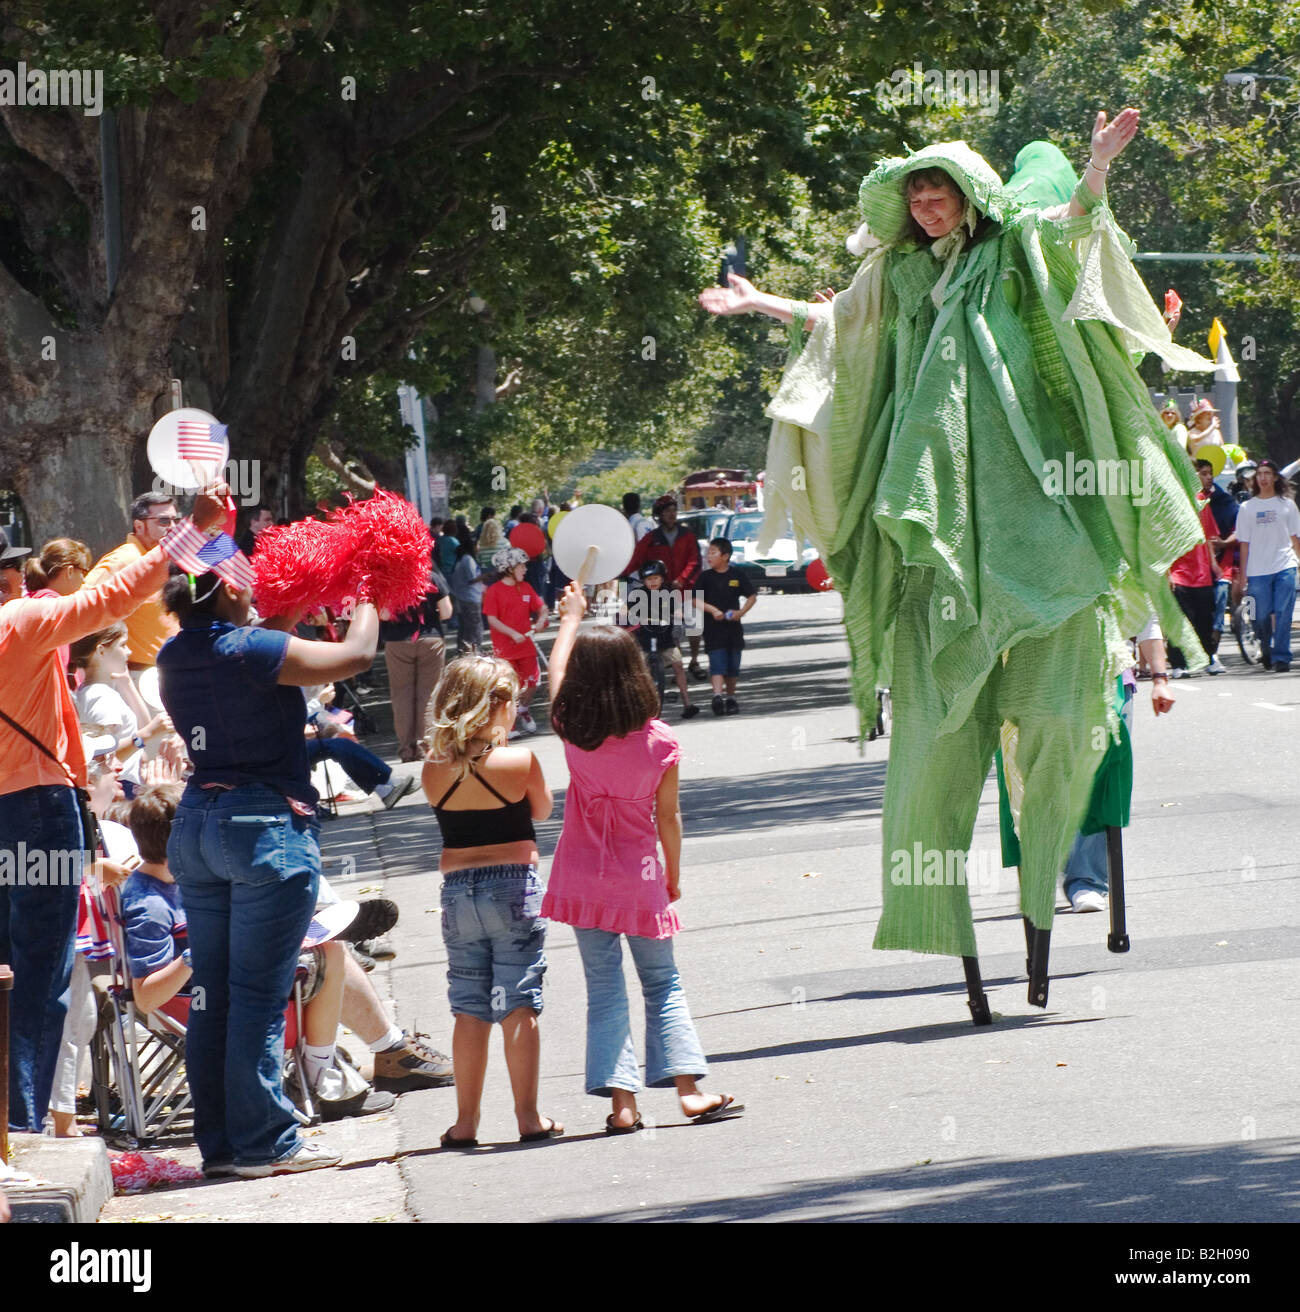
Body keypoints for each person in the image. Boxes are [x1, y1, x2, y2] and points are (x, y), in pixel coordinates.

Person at [699, 110, 1216, 973]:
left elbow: (1073, 225)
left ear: (968, 197)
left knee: (1059, 703)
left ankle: (1060, 859)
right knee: (937, 648)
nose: (930, 206)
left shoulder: (1011, 243)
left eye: (940, 192)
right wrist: (760, 303)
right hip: (934, 470)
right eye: (918, 197)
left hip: (1018, 466)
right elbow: (841, 321)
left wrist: (1097, 166)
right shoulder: (898, 271)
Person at [155, 544, 382, 1177]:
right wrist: (370, 591)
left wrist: (292, 610)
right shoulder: (248, 651)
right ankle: (266, 1146)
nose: (258, 595)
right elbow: (357, 655)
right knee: (257, 993)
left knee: (214, 994)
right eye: (249, 587)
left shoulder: (179, 652)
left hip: (198, 823)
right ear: (228, 593)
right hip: (262, 828)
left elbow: (254, 653)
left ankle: (224, 1146)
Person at [0, 494, 222, 1134]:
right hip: (38, 809)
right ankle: (22, 1125)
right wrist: (199, 528)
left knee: (9, 972)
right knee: (40, 973)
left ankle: (11, 1126)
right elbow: (123, 593)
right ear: (11, 580)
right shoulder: (18, 621)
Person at [542, 583, 742, 1132]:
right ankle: (689, 1091)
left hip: (582, 875)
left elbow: (556, 672)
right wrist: (673, 876)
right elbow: (668, 818)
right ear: (636, 673)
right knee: (663, 981)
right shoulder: (658, 740)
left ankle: (623, 1106)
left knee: (603, 988)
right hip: (641, 875)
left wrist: (571, 618)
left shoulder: (571, 729)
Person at [121, 785, 395, 1121]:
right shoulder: (148, 906)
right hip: (207, 1000)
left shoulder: (183, 880)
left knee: (319, 937)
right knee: (330, 954)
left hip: (230, 971)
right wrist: (199, 952)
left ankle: (328, 1067)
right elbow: (146, 997)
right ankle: (320, 1078)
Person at [421, 655, 558, 1147]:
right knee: (519, 1002)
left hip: (457, 891)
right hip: (512, 885)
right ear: (495, 706)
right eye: (512, 702)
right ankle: (527, 1117)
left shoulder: (433, 768)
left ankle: (465, 1123)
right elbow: (541, 810)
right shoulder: (519, 761)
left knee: (469, 1006)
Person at [47, 754, 138, 1137]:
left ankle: (59, 1113)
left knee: (79, 1017)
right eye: (104, 766)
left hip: (77, 929)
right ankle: (58, 1117)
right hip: (57, 926)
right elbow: (20, 863)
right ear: (84, 782)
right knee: (71, 1016)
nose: (116, 770)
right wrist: (96, 869)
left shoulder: (101, 826)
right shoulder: (56, 817)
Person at [1061, 617, 1174, 913]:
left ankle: (1086, 880)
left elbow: (1146, 623)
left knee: (1101, 778)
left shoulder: (1125, 571)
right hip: (1054, 677)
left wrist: (1160, 679)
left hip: (1112, 682)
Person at [70, 623, 175, 795]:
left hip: (125, 783)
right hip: (121, 785)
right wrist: (146, 735)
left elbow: (144, 726)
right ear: (101, 652)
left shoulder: (94, 691)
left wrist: (126, 684)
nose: (129, 652)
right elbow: (104, 756)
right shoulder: (101, 696)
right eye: (123, 645)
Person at [83, 492, 181, 675]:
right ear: (139, 526)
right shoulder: (124, 558)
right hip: (140, 674)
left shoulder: (167, 559)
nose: (173, 527)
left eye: (176, 520)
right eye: (164, 521)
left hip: (169, 673)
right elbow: (83, 601)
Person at [1231, 458, 1300, 673]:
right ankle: (1265, 645)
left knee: (1282, 613)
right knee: (1259, 615)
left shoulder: (1287, 505)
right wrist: (1243, 575)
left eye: (1267, 473)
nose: (1263, 477)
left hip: (1284, 566)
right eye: (1259, 473)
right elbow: (1244, 544)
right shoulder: (1247, 508)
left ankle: (1281, 657)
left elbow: (1295, 538)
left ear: (1275, 477)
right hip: (1257, 570)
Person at [626, 495, 704, 676]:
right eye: (667, 511)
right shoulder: (651, 538)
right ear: (659, 515)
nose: (672, 514)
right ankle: (679, 668)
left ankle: (694, 660)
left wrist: (682, 580)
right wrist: (620, 574)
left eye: (674, 511)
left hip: (688, 588)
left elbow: (695, 561)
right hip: (663, 591)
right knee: (673, 629)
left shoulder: (688, 535)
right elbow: (637, 560)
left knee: (695, 625)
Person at [381, 569, 453, 762]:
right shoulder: (431, 576)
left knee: (401, 696)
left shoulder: (388, 578)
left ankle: (406, 750)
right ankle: (427, 746)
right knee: (429, 694)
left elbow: (384, 614)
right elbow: (447, 612)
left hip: (397, 641)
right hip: (430, 638)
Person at [481, 547, 548, 736]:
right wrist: (511, 633)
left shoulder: (526, 587)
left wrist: (542, 619)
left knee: (534, 683)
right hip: (505, 648)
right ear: (509, 568)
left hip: (526, 646)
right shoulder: (494, 591)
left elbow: (541, 607)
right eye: (521, 566)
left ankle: (523, 710)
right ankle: (508, 724)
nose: (525, 570)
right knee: (508, 687)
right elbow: (492, 620)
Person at [622, 561, 700, 719]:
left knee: (678, 664)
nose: (652, 582)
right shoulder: (636, 595)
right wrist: (627, 615)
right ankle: (637, 706)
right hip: (644, 641)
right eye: (649, 579)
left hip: (665, 641)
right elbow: (625, 610)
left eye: (656, 578)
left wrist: (680, 614)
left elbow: (677, 610)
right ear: (643, 580)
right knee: (637, 671)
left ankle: (687, 703)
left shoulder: (670, 593)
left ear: (662, 578)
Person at [1165, 471, 1221, 678]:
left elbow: (1207, 537)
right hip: (1180, 572)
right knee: (1180, 620)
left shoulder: (1201, 502)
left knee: (1205, 619)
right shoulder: (1169, 502)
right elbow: (1164, 541)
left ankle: (1209, 659)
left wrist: (1213, 564)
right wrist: (1167, 571)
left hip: (1202, 573)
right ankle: (1178, 664)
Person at [698, 537, 757, 715]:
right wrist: (713, 610)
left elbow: (752, 596)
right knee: (717, 664)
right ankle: (717, 696)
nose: (709, 556)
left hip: (733, 630)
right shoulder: (705, 577)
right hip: (713, 629)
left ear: (725, 556)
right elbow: (695, 600)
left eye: (713, 553)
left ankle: (731, 698)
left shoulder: (737, 575)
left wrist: (741, 613)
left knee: (732, 667)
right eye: (708, 553)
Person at [450, 536, 485, 654]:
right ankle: (474, 652)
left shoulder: (461, 560)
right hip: (471, 598)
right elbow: (472, 578)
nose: (478, 548)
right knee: (475, 628)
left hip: (463, 597)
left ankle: (463, 651)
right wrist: (487, 576)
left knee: (464, 628)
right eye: (477, 545)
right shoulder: (468, 559)